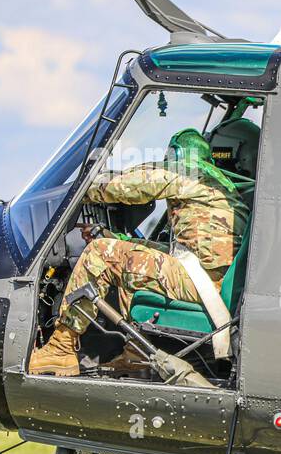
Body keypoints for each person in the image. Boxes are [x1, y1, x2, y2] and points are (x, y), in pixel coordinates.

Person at [27, 128, 250, 376]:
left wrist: (81, 189)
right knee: (127, 252)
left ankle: (60, 350)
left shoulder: (188, 171)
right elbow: (188, 254)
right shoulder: (219, 181)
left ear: (175, 154)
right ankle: (137, 354)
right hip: (206, 278)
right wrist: (118, 239)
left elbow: (129, 188)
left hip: (203, 284)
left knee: (100, 253)